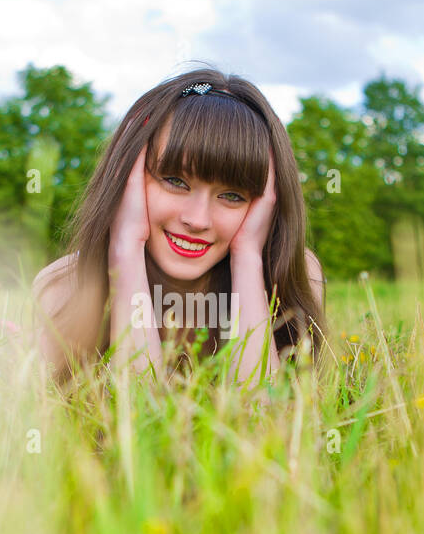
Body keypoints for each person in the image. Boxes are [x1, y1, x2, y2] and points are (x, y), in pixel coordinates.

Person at [32, 67, 328, 389]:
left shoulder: (292, 277)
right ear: (126, 177)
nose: (197, 220)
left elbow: (263, 426)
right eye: (175, 181)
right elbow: (135, 421)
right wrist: (125, 246)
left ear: (265, 203)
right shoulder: (63, 286)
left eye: (232, 196)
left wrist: (247, 257)